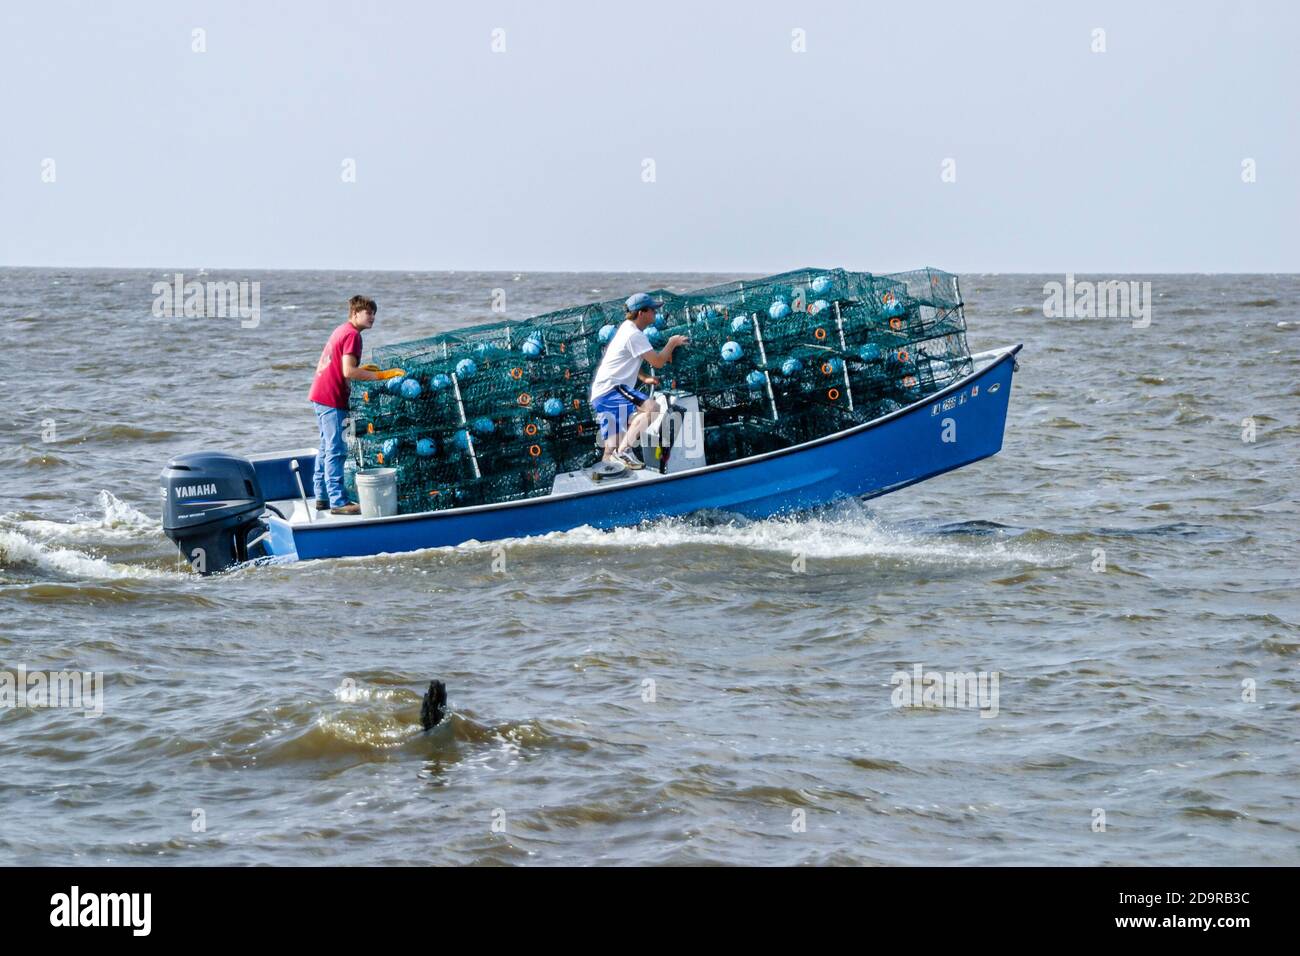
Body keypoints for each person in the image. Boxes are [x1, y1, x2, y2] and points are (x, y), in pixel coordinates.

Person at [308, 295, 402, 514]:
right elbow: (348, 371)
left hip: (319, 395)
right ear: (354, 313)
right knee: (336, 449)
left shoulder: (341, 330)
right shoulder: (352, 335)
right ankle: (339, 502)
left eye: (374, 313)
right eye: (368, 313)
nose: (372, 317)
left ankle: (322, 496)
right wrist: (381, 375)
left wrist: (364, 371)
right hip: (331, 398)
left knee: (325, 448)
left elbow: (344, 369)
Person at [589, 292, 688, 470]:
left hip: (601, 394)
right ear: (641, 313)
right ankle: (625, 451)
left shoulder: (626, 328)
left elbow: (627, 359)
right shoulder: (634, 335)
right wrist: (672, 343)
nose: (655, 314)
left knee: (610, 448)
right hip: (612, 389)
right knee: (652, 408)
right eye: (652, 310)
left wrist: (644, 377)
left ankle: (609, 484)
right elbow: (657, 362)